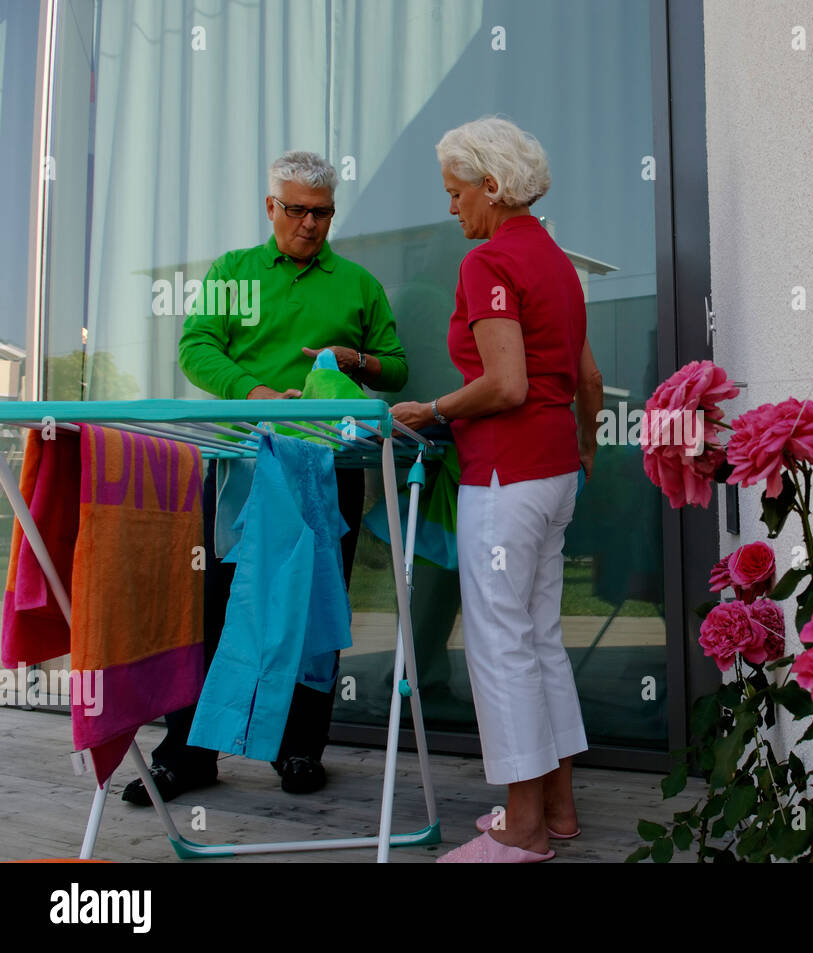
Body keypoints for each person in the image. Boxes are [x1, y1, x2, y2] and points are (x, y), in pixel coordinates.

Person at [122, 151, 409, 803]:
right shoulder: (234, 271)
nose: (310, 224)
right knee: (215, 607)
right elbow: (196, 347)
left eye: (323, 212)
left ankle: (300, 749)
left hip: (326, 469)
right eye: (298, 210)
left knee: (316, 609)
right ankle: (189, 753)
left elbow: (395, 366)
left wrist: (354, 358)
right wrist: (252, 392)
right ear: (271, 207)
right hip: (243, 465)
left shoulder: (359, 285)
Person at [391, 117, 603, 863]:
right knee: (540, 638)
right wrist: (582, 445)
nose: (452, 209)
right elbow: (588, 380)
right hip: (553, 477)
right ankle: (559, 807)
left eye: (456, 193)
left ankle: (524, 830)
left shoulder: (489, 263)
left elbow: (507, 384)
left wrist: (433, 409)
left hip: (505, 478)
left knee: (501, 647)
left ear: (492, 185)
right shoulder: (557, 260)